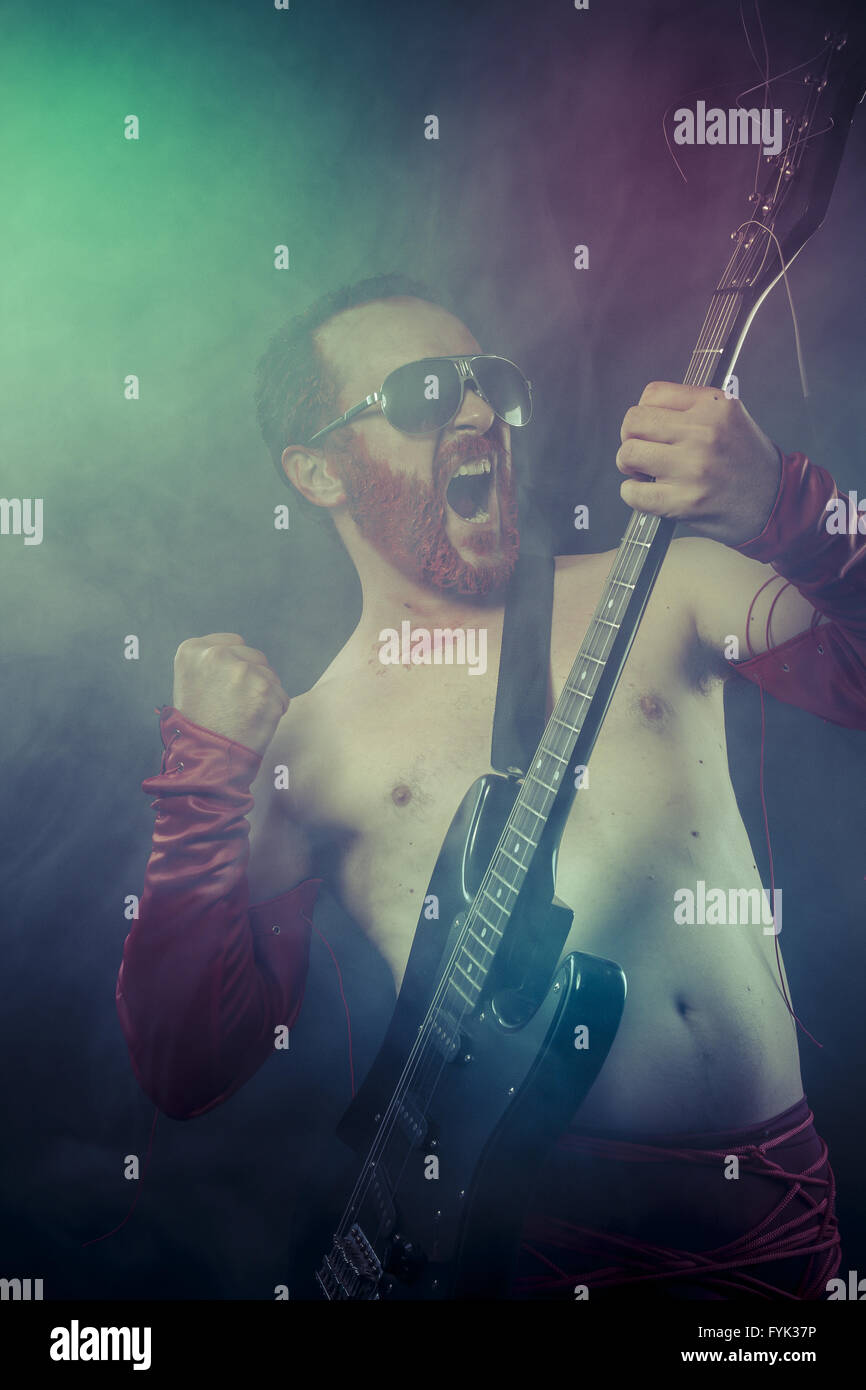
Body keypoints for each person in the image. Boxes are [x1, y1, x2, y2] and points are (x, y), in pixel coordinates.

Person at [116, 274, 865, 1298]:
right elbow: (185, 1066)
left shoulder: (661, 579)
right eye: (426, 395)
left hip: (780, 1214)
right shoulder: (308, 744)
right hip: (540, 1244)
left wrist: (786, 501)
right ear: (318, 469)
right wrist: (202, 772)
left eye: (487, 385)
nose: (477, 413)